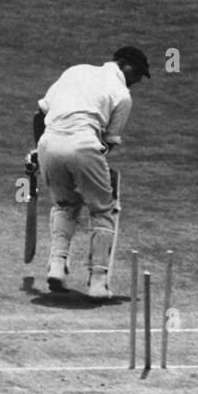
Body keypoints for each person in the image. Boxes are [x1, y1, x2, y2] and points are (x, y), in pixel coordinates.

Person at [27, 46, 151, 299]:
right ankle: (97, 282)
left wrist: (39, 153)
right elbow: (108, 143)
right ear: (125, 65)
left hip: (49, 141)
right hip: (85, 145)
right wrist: (90, 167)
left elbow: (39, 116)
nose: (137, 80)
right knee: (104, 209)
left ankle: (57, 267)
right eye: (137, 74)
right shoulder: (122, 95)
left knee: (64, 204)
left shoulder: (76, 71)